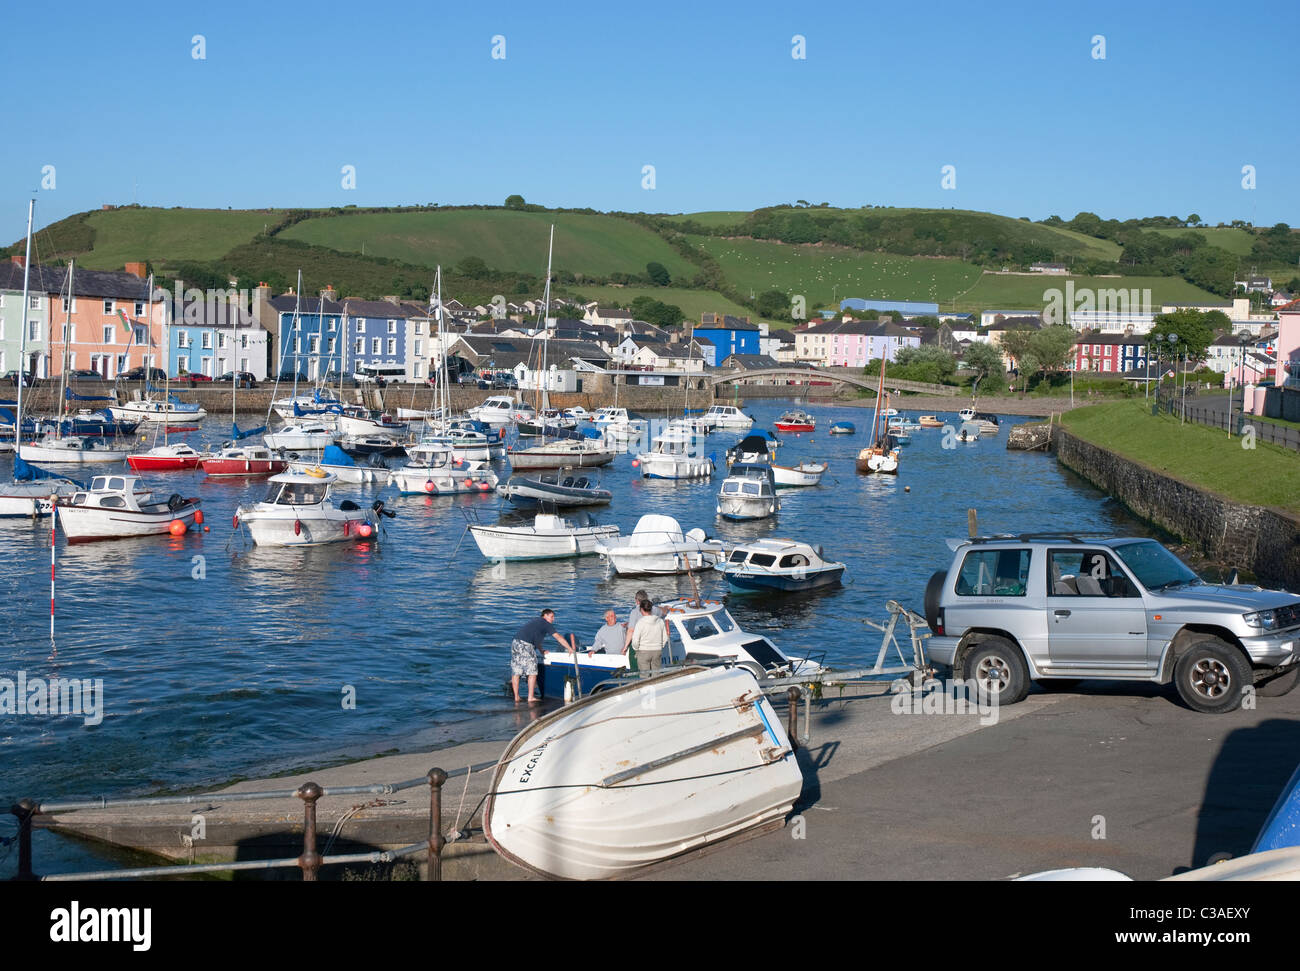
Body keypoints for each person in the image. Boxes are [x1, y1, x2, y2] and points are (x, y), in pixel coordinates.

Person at [510, 608, 576, 704]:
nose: (553, 619)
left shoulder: (536, 621)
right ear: (545, 615)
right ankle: (531, 697)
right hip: (525, 645)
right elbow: (558, 637)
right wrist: (569, 648)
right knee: (532, 672)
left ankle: (516, 697)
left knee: (516, 671)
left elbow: (535, 639)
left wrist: (541, 651)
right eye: (552, 616)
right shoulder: (546, 623)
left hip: (515, 643)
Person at [627, 599, 669, 677]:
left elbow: (635, 641)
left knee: (644, 676)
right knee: (656, 675)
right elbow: (665, 638)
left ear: (642, 609)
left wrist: (637, 649)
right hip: (657, 650)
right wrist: (660, 646)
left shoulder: (640, 623)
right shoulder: (660, 621)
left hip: (643, 651)